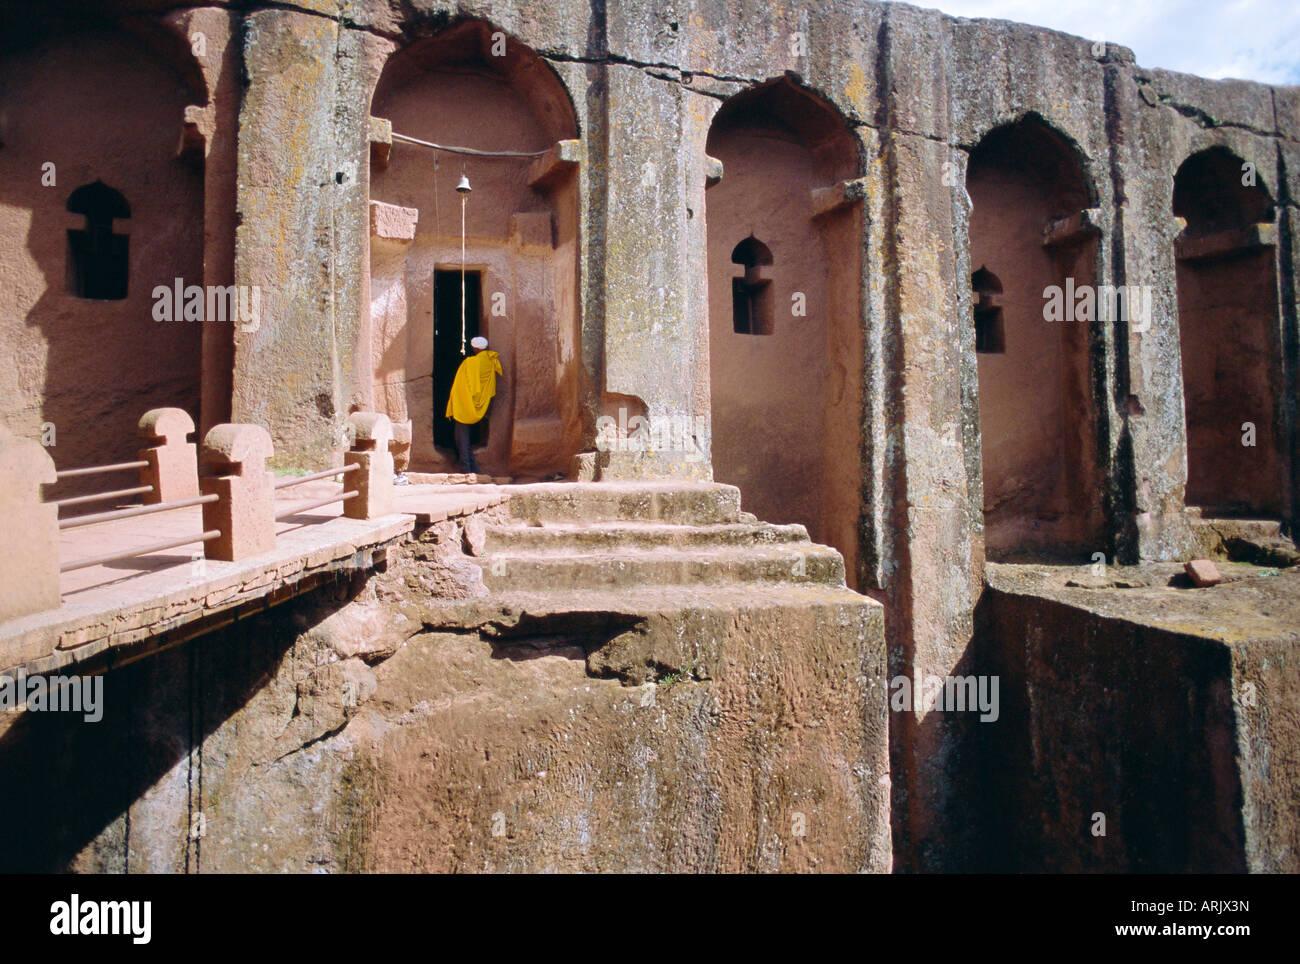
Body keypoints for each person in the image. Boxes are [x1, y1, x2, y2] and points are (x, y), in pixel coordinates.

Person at [445, 335, 502, 475]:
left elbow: (461, 384)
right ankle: (473, 468)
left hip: (466, 404)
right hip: (482, 404)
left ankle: (466, 469)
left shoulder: (470, 362)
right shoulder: (491, 361)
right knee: (461, 436)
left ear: (475, 348)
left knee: (461, 436)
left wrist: (457, 400)